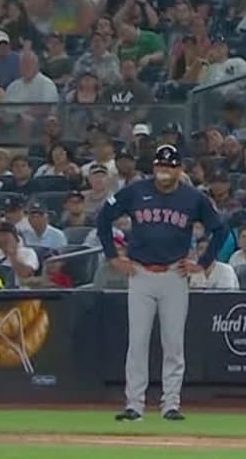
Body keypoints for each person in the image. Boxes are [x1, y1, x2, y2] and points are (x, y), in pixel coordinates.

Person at [96, 144, 228, 422]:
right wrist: (112, 256)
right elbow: (104, 217)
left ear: (179, 169)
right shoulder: (136, 191)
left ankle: (171, 403)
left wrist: (202, 263)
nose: (164, 171)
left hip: (174, 274)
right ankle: (134, 404)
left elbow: (219, 229)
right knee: (137, 341)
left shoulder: (193, 197)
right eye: (160, 166)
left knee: (173, 343)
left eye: (169, 166)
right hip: (140, 273)